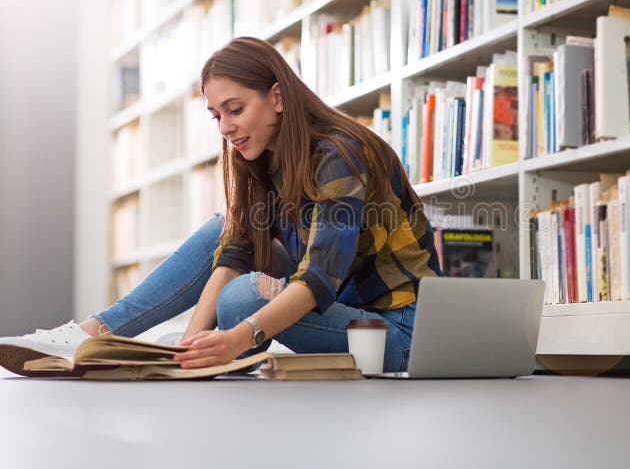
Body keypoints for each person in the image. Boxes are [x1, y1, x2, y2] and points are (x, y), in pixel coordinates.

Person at [0, 36, 442, 375]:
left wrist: (236, 339)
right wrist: (185, 352)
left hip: (396, 332)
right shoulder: (262, 159)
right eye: (217, 116)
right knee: (225, 232)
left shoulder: (339, 154)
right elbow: (233, 252)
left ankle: (207, 345)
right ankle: (96, 333)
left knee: (243, 300)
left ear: (277, 97)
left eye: (235, 109)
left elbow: (318, 280)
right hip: (346, 316)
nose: (226, 127)